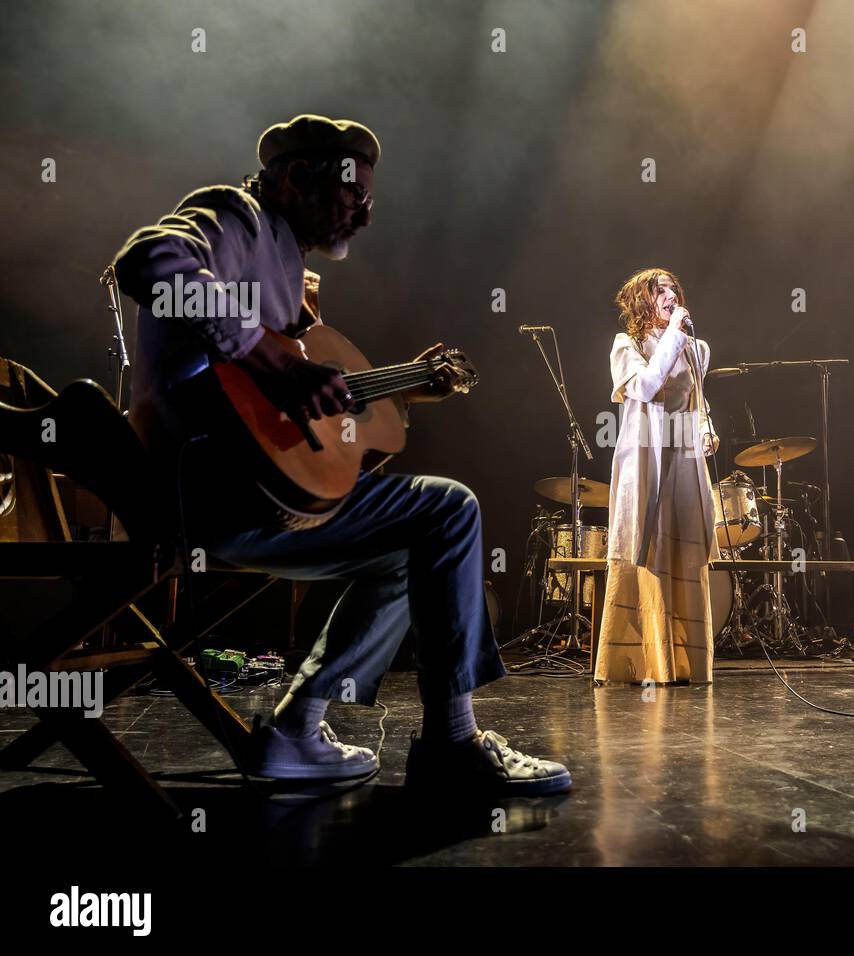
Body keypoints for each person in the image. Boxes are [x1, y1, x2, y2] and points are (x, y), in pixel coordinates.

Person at [111, 114, 571, 793]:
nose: (363, 213)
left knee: (411, 551)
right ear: (296, 176)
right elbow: (147, 263)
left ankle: (296, 733)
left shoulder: (294, 272)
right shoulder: (234, 215)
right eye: (353, 193)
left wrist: (404, 392)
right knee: (449, 511)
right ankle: (451, 744)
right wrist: (269, 357)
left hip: (249, 495)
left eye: (369, 201)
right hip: (209, 493)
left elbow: (304, 420)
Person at [596, 268, 720, 684]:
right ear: (641, 301)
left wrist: (705, 429)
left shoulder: (695, 347)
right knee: (649, 549)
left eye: (673, 289)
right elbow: (648, 387)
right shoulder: (627, 344)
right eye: (660, 290)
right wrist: (674, 337)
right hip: (646, 454)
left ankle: (685, 663)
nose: (670, 295)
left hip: (682, 454)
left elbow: (698, 399)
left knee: (684, 548)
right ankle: (644, 663)